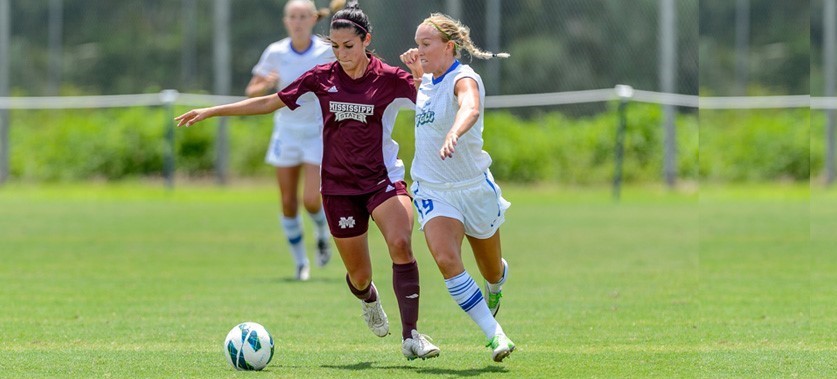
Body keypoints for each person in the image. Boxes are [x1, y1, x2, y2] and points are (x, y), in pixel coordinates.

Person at [176, 1, 440, 361]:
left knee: (400, 243)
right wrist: (212, 111)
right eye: (335, 46)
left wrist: (424, 78)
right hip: (338, 188)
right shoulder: (321, 77)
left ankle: (411, 336)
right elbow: (268, 102)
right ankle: (369, 299)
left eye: (349, 46)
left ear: (366, 41)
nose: (341, 53)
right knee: (360, 277)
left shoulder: (389, 78)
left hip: (383, 181)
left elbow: (432, 102)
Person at [399, 13, 515, 362]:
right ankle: (495, 335)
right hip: (433, 189)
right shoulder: (425, 82)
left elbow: (470, 106)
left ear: (449, 47)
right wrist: (419, 78)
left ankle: (496, 283)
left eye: (426, 44)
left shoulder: (464, 77)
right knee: (447, 259)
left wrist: (455, 131)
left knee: (491, 270)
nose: (419, 51)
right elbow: (425, 96)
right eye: (417, 44)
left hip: (473, 188)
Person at [245, 0, 342, 281]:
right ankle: (301, 264)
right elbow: (252, 90)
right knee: (288, 203)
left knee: (311, 200)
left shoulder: (326, 50)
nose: (297, 21)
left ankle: (322, 232)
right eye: (292, 17)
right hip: (285, 133)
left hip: (316, 132)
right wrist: (263, 85)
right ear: (286, 21)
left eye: (302, 16)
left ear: (313, 19)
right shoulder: (275, 52)